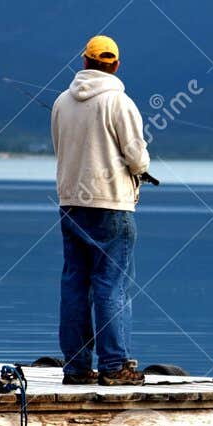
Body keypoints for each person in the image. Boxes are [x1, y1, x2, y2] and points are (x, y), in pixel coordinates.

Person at [51, 35, 149, 386]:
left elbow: (60, 147)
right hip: (110, 205)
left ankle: (76, 368)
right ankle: (113, 366)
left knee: (75, 284)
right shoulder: (119, 103)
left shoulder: (62, 102)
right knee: (112, 286)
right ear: (116, 65)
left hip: (71, 204)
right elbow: (137, 158)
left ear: (84, 62)